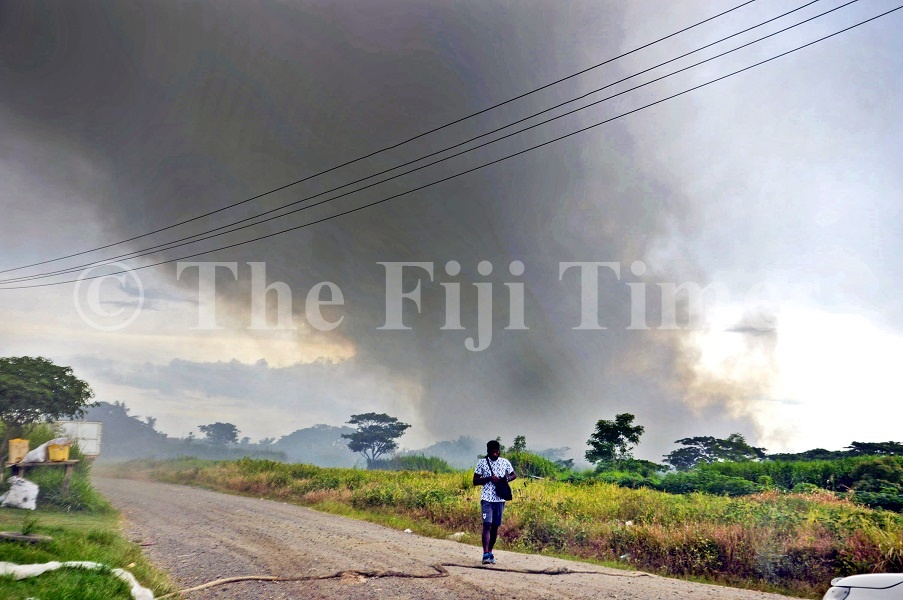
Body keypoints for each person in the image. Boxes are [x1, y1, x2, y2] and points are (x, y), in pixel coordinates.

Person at [473, 439, 517, 564]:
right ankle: (485, 554)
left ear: (499, 451)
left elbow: (514, 474)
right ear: (488, 451)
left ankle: (490, 552)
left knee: (495, 527)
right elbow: (475, 481)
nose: (495, 454)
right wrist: (489, 478)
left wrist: (506, 478)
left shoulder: (505, 462)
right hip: (486, 499)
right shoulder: (482, 463)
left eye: (497, 452)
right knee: (487, 524)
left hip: (500, 499)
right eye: (492, 452)